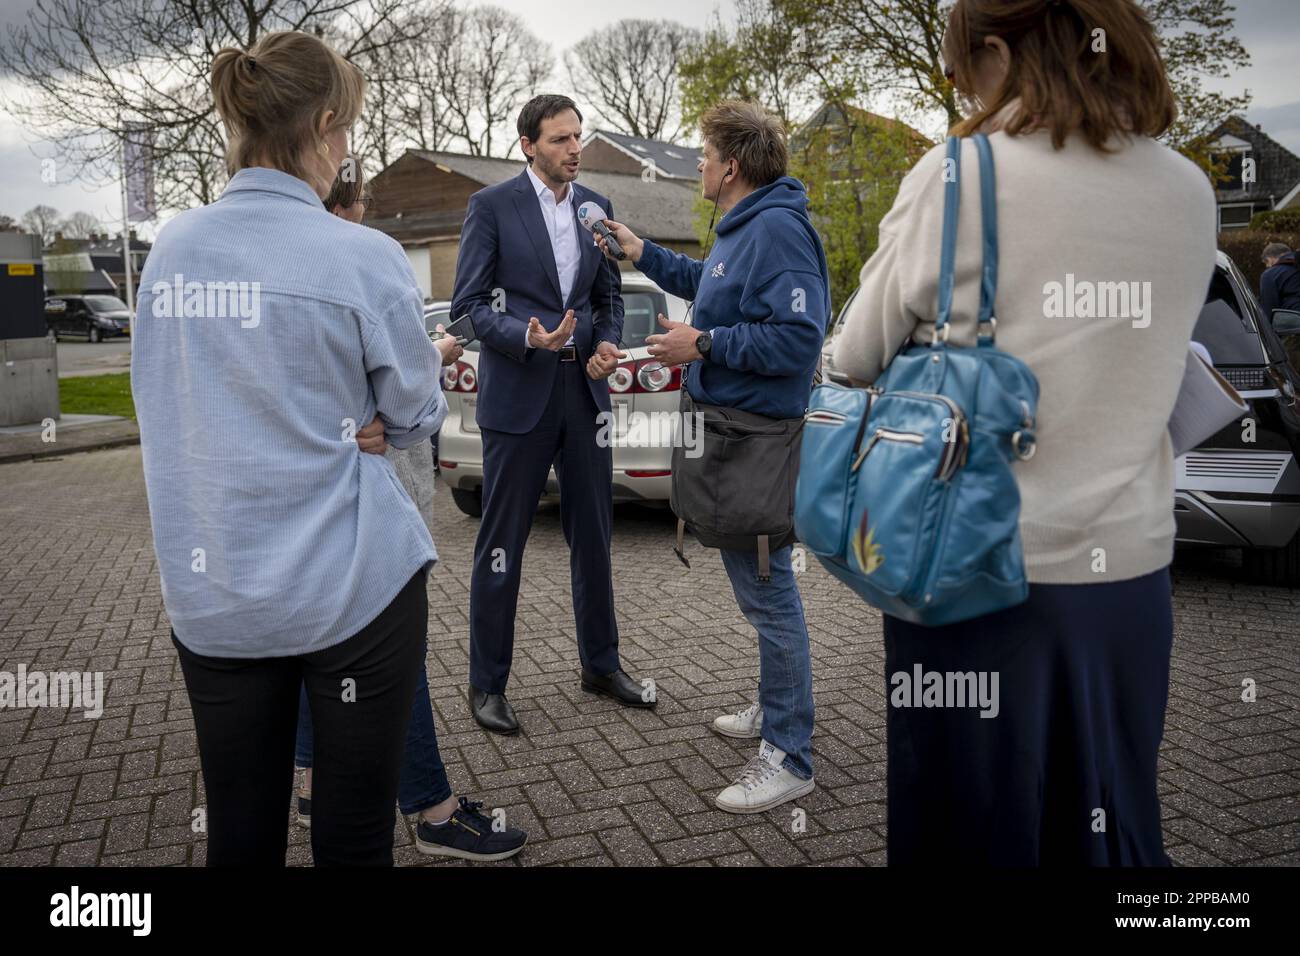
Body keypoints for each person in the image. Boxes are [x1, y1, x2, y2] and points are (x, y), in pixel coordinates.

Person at [831, 0, 1216, 865]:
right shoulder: (1189, 190)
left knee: (965, 829)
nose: (953, 85)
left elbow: (854, 355)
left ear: (1000, 51)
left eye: (958, 63)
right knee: (1111, 823)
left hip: (973, 575)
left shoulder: (960, 175)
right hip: (1130, 583)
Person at [133, 31, 456, 866]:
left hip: (217, 590)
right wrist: (363, 422)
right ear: (322, 124)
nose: (346, 148)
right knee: (351, 832)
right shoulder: (365, 257)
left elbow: (169, 397)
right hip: (353, 587)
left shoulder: (170, 251)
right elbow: (417, 412)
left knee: (241, 832)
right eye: (345, 126)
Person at [288, 160, 527, 862]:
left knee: (316, 641)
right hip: (373, 495)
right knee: (397, 649)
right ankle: (432, 809)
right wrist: (432, 359)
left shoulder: (270, 264)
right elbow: (410, 398)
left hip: (309, 504)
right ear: (353, 205)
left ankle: (308, 779)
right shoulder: (362, 259)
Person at [595, 101, 829, 813]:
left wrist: (702, 345)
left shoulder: (780, 230)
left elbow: (798, 340)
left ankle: (790, 753)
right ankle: (774, 704)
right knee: (757, 590)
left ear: (731, 166)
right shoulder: (742, 230)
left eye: (702, 154)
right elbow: (709, 286)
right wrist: (642, 253)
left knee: (770, 592)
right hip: (729, 434)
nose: (695, 164)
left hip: (757, 439)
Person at [451, 94, 655, 735]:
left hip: (585, 395)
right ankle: (487, 684)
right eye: (562, 139)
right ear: (528, 146)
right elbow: (468, 307)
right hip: (518, 395)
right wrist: (522, 337)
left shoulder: (599, 208)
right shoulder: (491, 208)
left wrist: (604, 345)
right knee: (501, 542)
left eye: (578, 137)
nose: (575, 149)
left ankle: (601, 664)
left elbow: (608, 295)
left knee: (593, 535)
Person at [1260, 242, 1300, 320]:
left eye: (1266, 263)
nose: (1267, 266)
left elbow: (1269, 309)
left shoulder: (1270, 274)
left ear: (1270, 259)